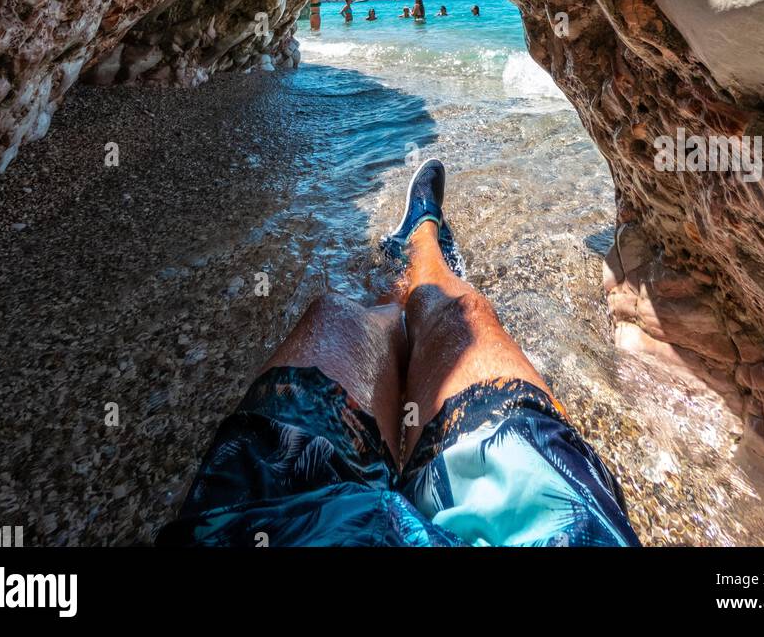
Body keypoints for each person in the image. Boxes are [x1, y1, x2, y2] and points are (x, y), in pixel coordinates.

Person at [158, 160, 639, 548]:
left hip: (268, 520)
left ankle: (398, 288)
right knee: (460, 315)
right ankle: (424, 240)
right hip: (551, 526)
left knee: (339, 318)